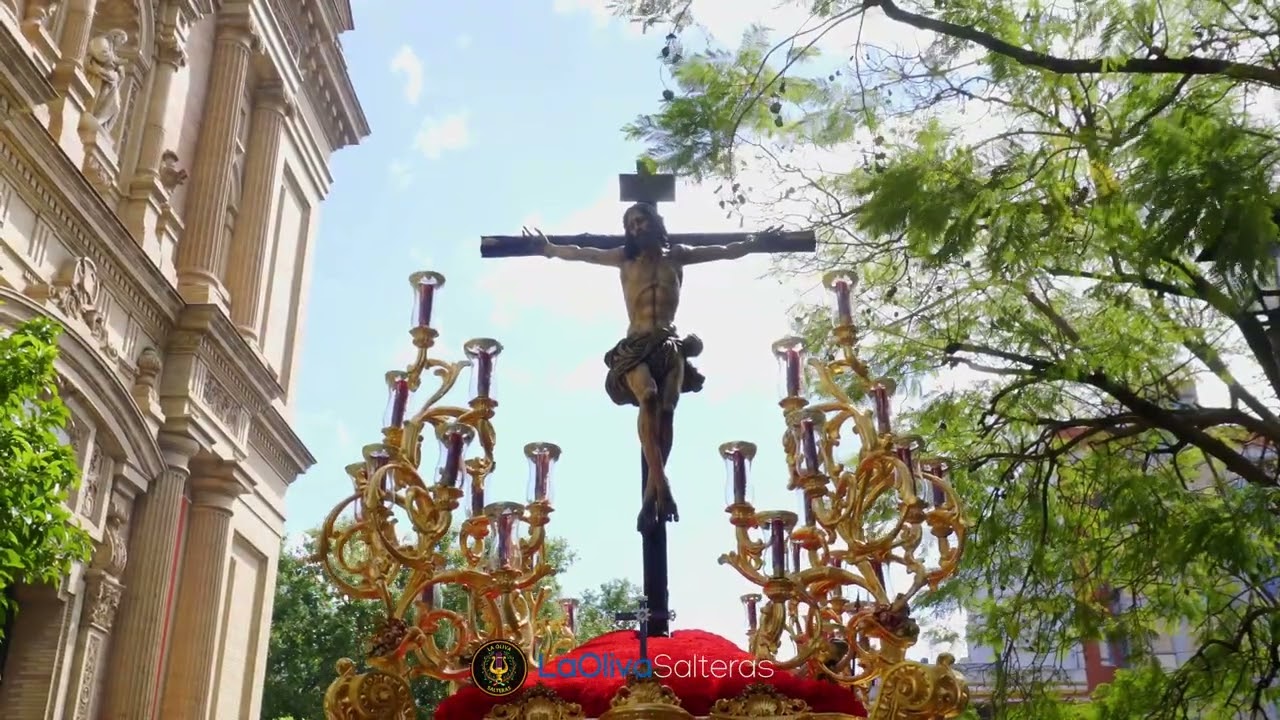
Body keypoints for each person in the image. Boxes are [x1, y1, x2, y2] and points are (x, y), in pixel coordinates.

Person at [523, 202, 766, 531]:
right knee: (648, 397)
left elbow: (724, 251)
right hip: (636, 344)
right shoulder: (624, 258)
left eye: (642, 220)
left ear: (655, 222)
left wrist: (755, 244)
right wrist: (548, 249)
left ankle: (650, 498)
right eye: (631, 223)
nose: (637, 227)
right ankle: (663, 486)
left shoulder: (677, 256)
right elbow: (583, 253)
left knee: (666, 410)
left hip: (669, 344)